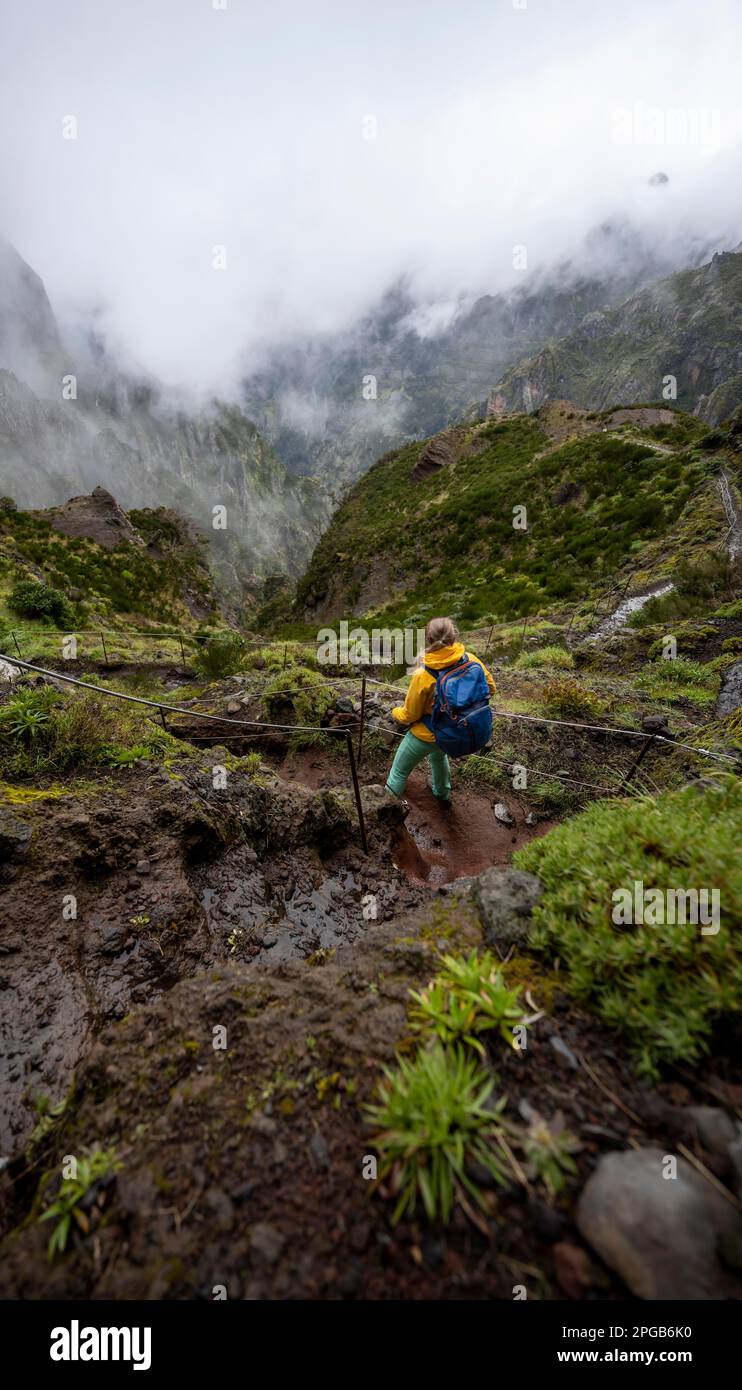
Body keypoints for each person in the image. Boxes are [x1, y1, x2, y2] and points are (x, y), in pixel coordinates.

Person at [385, 617, 496, 806]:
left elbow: (409, 715)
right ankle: (442, 795)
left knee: (399, 772)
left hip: (426, 735)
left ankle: (385, 805)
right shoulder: (471, 659)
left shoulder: (423, 674)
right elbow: (490, 689)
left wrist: (393, 712)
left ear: (429, 639)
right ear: (454, 636)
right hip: (453, 734)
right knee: (438, 755)